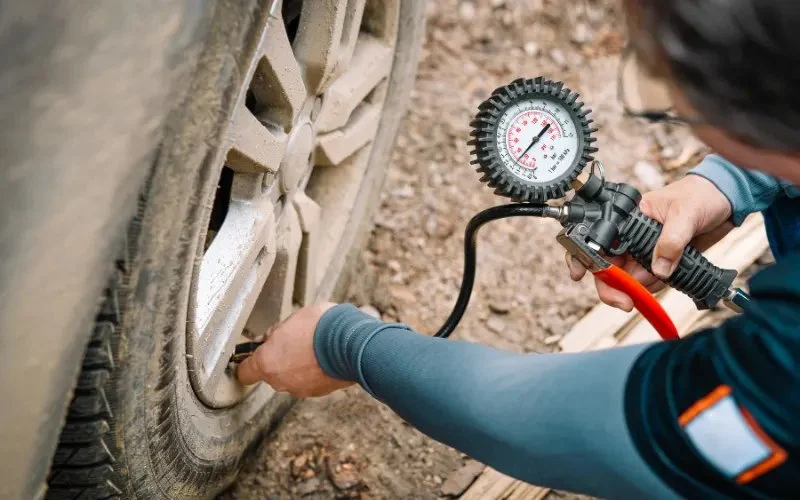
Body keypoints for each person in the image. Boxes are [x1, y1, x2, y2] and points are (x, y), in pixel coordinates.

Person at [237, 1, 800, 498]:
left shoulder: (784, 370)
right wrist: (728, 183)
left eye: (666, 90)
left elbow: (550, 425)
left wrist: (345, 345)